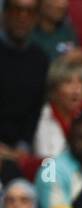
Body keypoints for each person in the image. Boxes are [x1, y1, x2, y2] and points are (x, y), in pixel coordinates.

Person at [0, 0, 51, 153]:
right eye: (17, 10)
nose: (23, 17)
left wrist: (23, 145)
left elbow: (36, 110)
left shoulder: (40, 59)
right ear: (5, 14)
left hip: (23, 150)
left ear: (36, 18)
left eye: (30, 12)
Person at [33, 51, 82, 158]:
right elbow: (48, 163)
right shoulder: (42, 117)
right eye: (68, 82)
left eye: (80, 82)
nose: (76, 89)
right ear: (54, 90)